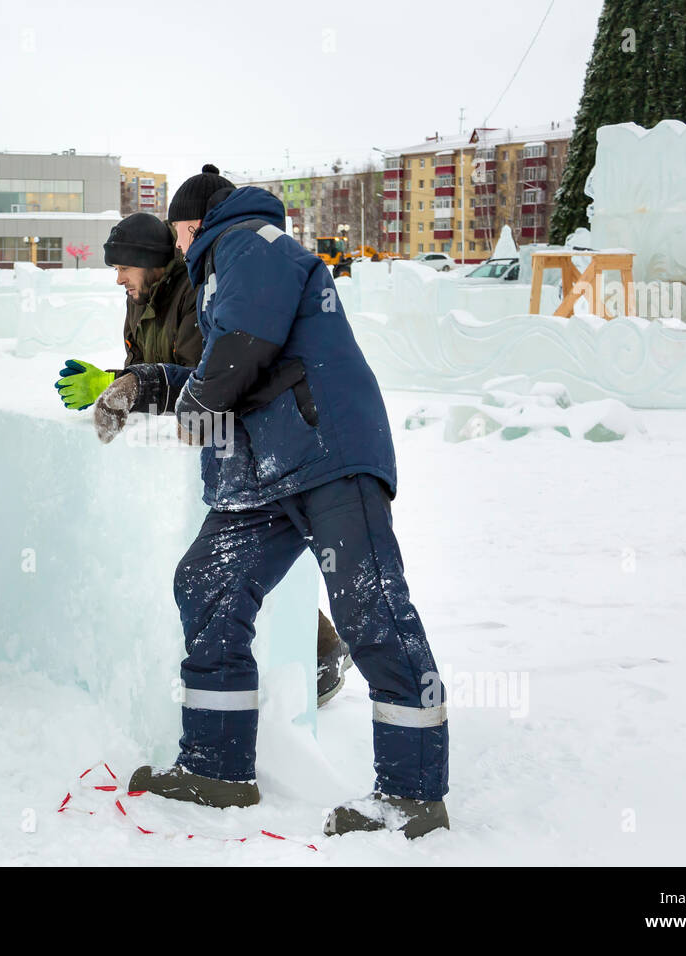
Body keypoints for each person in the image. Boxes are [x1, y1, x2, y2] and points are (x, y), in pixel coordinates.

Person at [93, 165, 449, 839]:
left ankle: (413, 796)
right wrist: (141, 384)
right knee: (208, 584)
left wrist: (196, 402)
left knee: (370, 605)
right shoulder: (221, 270)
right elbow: (220, 364)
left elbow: (243, 347)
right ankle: (217, 770)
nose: (173, 241)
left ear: (192, 223)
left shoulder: (250, 240)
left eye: (175, 228)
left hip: (326, 455)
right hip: (265, 471)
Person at [55, 208, 352, 706]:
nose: (118, 279)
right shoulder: (142, 298)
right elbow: (143, 366)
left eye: (123, 268)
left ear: (149, 262)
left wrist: (127, 384)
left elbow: (206, 376)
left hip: (228, 442)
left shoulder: (193, 294)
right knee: (226, 569)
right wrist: (116, 382)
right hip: (174, 455)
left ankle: (319, 649)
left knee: (243, 563)